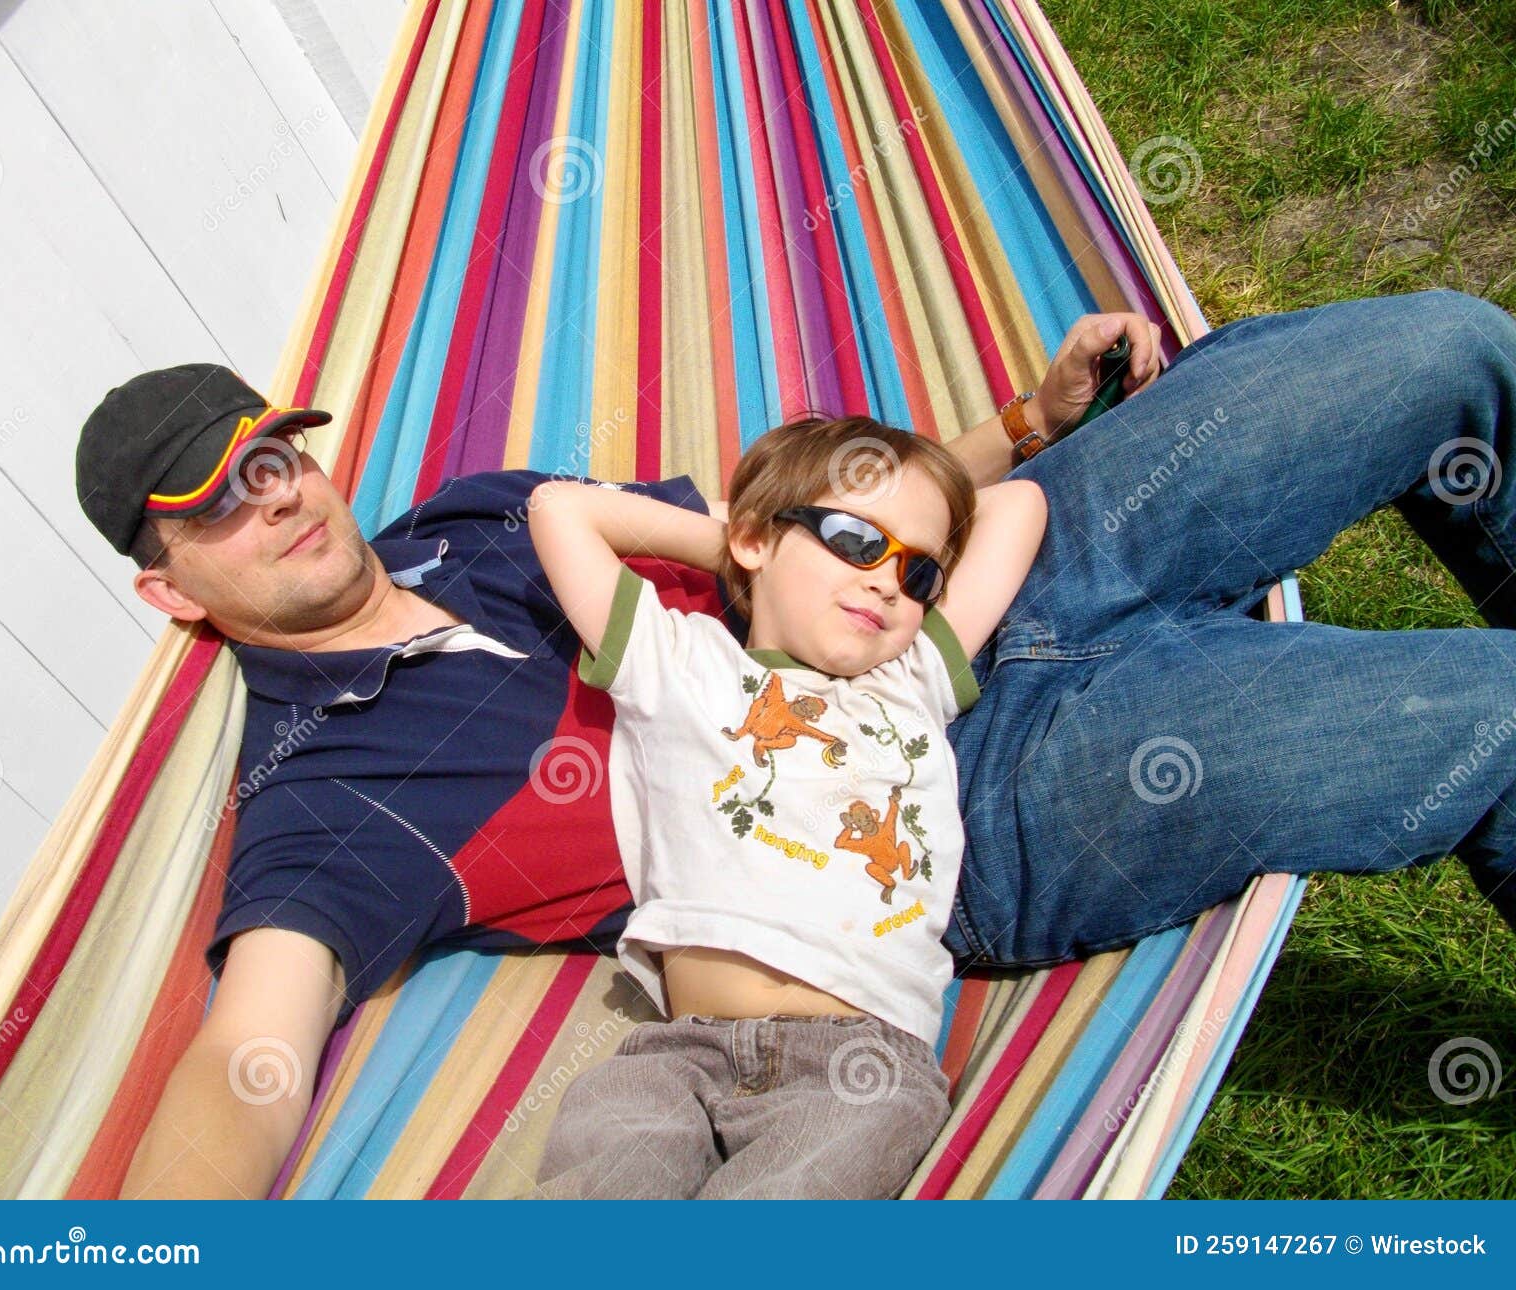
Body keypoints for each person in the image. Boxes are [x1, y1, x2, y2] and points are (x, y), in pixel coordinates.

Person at [75, 289, 1516, 1200]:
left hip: (969, 581)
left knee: (1447, 350)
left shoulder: (469, 513)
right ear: (168, 592)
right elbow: (243, 1057)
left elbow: (790, 534)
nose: (275, 499)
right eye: (215, 505)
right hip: (981, 815)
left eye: (274, 456)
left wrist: (1018, 428)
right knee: (1488, 714)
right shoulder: (328, 796)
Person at [521, 418, 1044, 1198]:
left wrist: (797, 539)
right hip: (674, 1057)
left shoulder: (909, 684)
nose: (887, 582)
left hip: (859, 1065)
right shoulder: (679, 662)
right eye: (856, 541)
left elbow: (1019, 505)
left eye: (919, 572)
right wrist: (740, 536)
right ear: (756, 539)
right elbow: (560, 508)